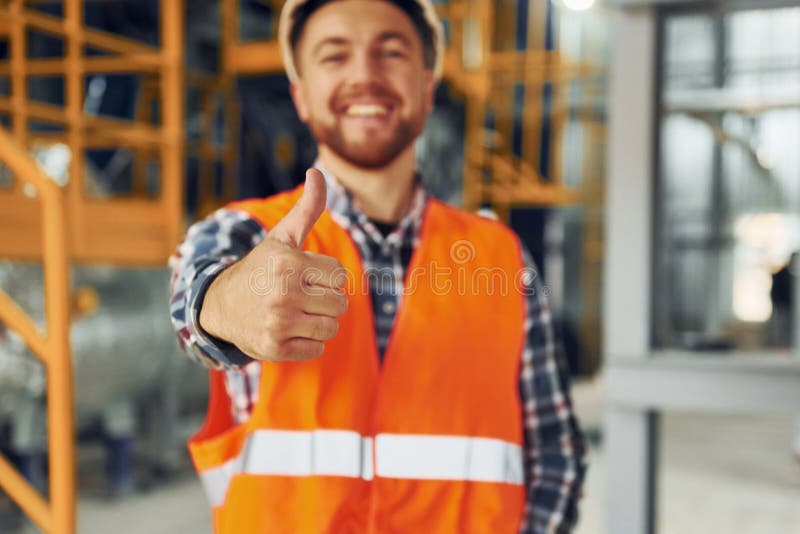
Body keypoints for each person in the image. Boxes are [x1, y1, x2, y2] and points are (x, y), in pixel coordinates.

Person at [168, 1, 586, 532]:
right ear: (300, 94)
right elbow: (193, 294)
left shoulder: (501, 258)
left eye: (390, 52)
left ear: (428, 85)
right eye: (334, 55)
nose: (364, 75)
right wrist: (226, 304)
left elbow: (554, 450)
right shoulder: (248, 234)